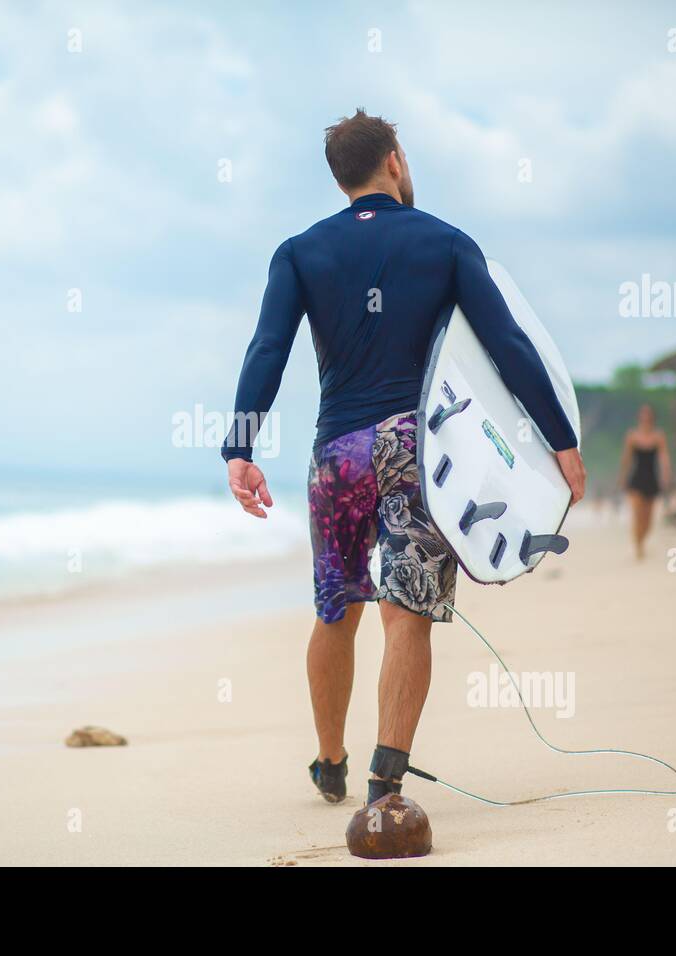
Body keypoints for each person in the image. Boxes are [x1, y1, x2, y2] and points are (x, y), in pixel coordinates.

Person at [220, 109, 586, 808]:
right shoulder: (445, 243)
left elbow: (267, 350)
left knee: (336, 610)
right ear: (394, 159)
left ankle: (330, 762)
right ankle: (385, 779)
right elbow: (508, 345)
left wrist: (240, 446)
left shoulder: (299, 252)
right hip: (413, 450)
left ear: (340, 178)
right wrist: (561, 442)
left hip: (337, 455)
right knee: (407, 613)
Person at [618, 404, 670, 560]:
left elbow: (664, 458)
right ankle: (638, 546)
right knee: (637, 514)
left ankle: (642, 539)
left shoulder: (658, 436)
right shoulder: (632, 436)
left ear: (653, 418)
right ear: (639, 417)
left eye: (648, 415)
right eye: (643, 415)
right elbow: (626, 459)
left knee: (648, 519)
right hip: (636, 479)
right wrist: (622, 477)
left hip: (651, 480)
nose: (645, 418)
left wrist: (666, 475)